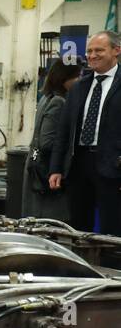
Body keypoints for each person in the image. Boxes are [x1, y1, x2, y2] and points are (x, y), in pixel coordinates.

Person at [49, 31, 121, 234]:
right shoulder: (79, 87)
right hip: (78, 166)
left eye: (99, 50)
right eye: (89, 51)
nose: (92, 55)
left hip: (113, 169)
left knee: (112, 228)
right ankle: (79, 264)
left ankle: (110, 266)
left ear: (116, 51)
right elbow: (64, 131)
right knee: (77, 227)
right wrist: (56, 168)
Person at [23, 59, 80, 222]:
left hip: (35, 165)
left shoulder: (46, 98)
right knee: (51, 222)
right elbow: (47, 142)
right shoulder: (59, 102)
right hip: (45, 172)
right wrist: (71, 146)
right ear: (65, 78)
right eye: (77, 76)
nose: (79, 81)